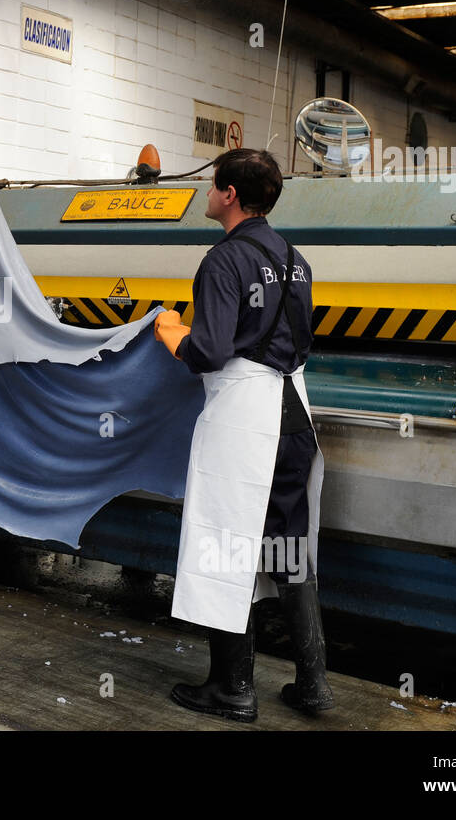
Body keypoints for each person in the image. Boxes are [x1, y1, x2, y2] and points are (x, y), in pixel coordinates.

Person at [154, 147, 334, 722]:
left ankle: (232, 690)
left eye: (212, 185)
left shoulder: (224, 260)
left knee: (225, 540)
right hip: (292, 414)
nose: (207, 193)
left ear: (229, 195)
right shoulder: (296, 259)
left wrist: (168, 330)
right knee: (288, 547)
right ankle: (312, 685)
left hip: (243, 420)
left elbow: (208, 351)